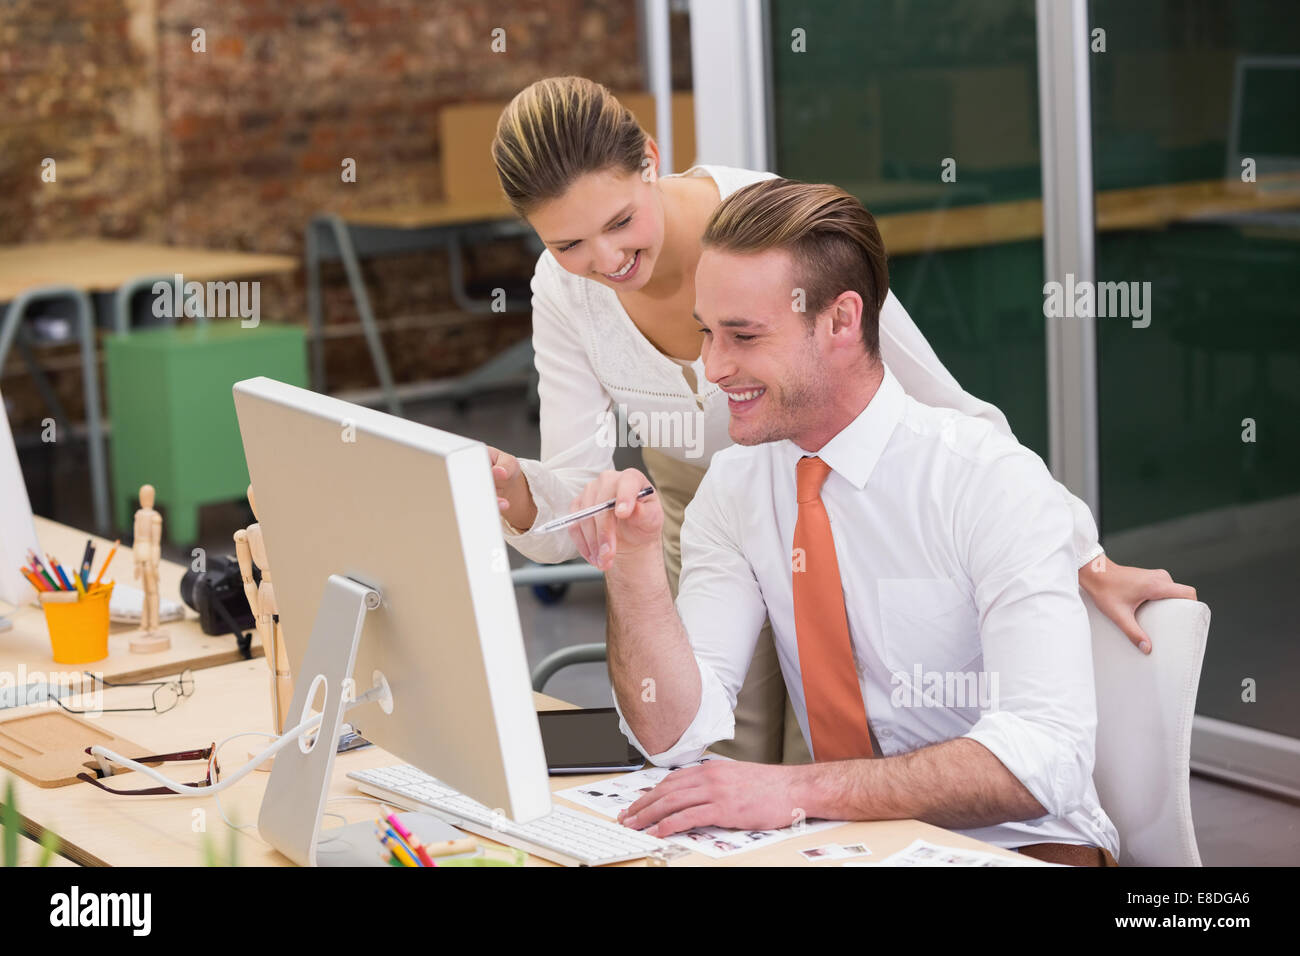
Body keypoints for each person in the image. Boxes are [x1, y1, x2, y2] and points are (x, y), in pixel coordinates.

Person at [486, 75, 1193, 766]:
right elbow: (578, 493)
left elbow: (945, 405)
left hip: (821, 500)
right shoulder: (564, 291)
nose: (605, 260)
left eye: (618, 223)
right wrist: (517, 490)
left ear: (649, 157)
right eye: (568, 244)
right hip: (695, 521)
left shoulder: (765, 234)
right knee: (705, 750)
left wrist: (1080, 554)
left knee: (819, 755)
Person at [572, 178, 1123, 865]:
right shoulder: (738, 487)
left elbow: (1047, 760)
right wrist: (634, 569)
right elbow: (672, 735)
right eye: (706, 334)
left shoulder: (986, 480)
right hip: (843, 842)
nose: (713, 368)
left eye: (743, 336)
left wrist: (795, 789)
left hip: (1018, 845)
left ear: (839, 322)